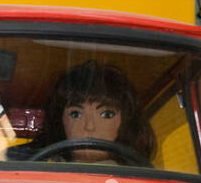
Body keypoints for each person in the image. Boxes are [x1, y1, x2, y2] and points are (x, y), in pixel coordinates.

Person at [17, 60, 157, 165]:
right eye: (75, 114)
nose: (89, 126)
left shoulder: (142, 179)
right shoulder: (30, 166)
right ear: (60, 121)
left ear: (125, 122)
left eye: (106, 114)